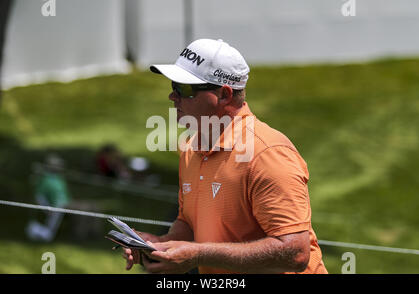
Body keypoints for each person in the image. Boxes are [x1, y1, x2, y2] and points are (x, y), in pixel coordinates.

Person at [122, 39, 328, 274]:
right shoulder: (191, 147)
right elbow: (189, 224)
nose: (172, 96)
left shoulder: (268, 154)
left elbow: (295, 252)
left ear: (224, 95)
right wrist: (160, 245)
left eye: (185, 88)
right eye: (173, 85)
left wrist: (197, 254)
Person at [26, 154, 70, 242]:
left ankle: (37, 230)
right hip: (55, 207)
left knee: (50, 232)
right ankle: (34, 230)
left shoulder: (60, 179)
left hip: (61, 205)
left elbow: (65, 195)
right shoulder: (45, 179)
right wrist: (47, 208)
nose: (59, 168)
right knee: (49, 235)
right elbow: (39, 197)